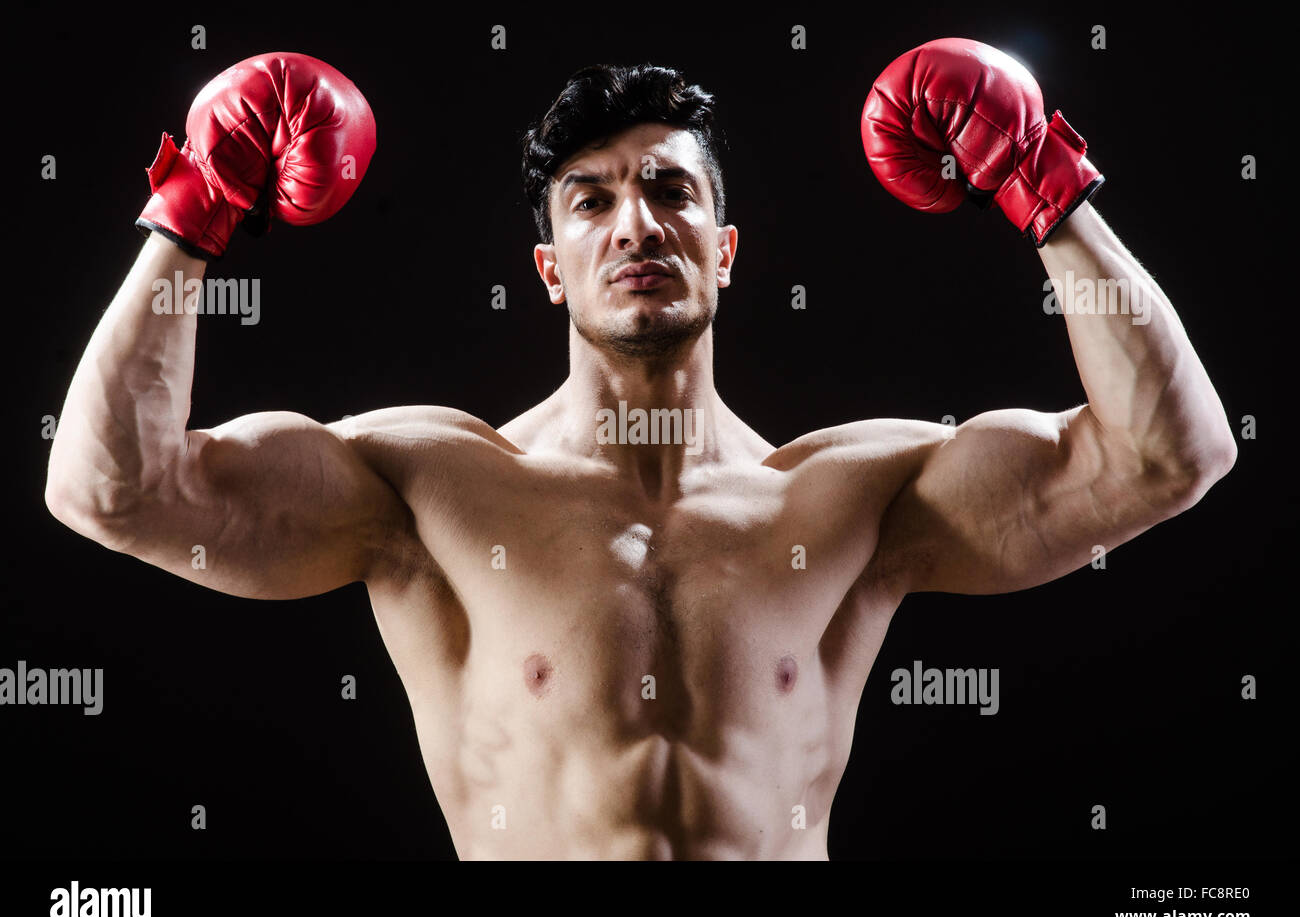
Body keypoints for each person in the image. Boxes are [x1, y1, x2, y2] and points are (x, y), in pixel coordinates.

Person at [45, 43, 1236, 860]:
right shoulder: (427, 487)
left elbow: (1166, 457)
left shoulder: (852, 494)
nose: (637, 224)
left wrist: (1040, 181)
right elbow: (112, 491)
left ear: (724, 250)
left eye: (671, 191)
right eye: (590, 200)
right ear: (549, 271)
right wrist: (194, 209)